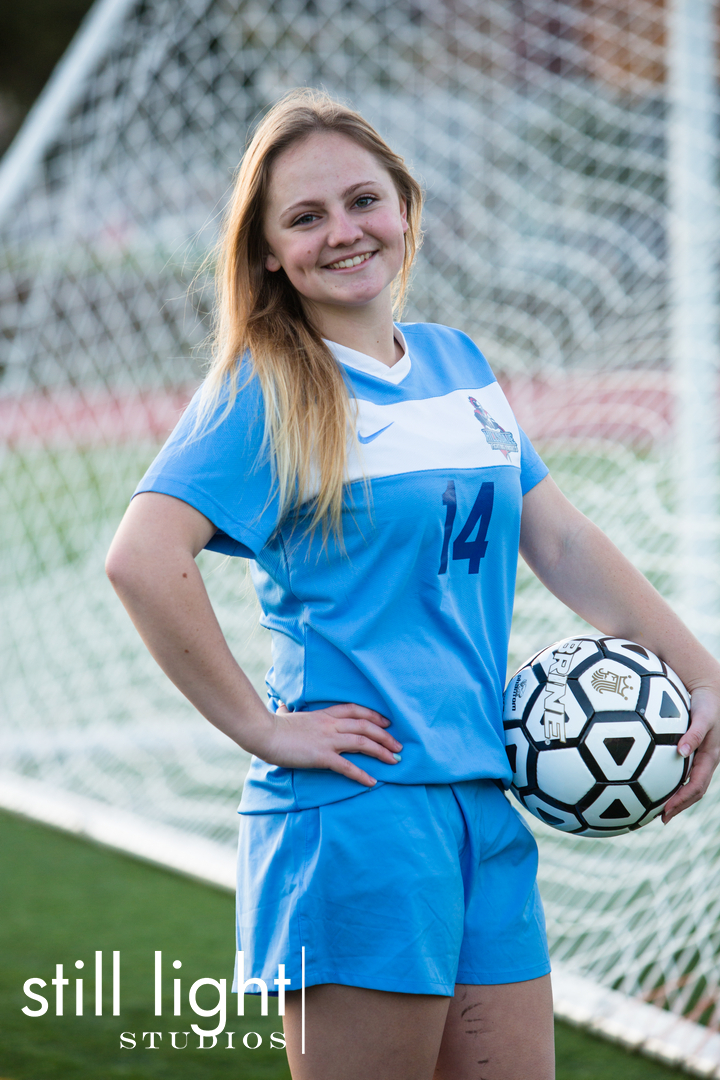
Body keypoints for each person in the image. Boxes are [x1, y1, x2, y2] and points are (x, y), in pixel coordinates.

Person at [105, 89, 720, 1080]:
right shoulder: (266, 388)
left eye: (363, 200)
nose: (343, 232)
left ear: (406, 206)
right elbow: (141, 558)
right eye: (305, 218)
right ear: (267, 252)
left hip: (485, 799)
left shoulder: (455, 362)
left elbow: (557, 539)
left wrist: (702, 673)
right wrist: (263, 730)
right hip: (360, 813)